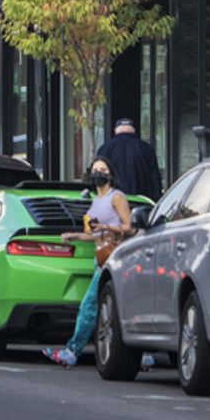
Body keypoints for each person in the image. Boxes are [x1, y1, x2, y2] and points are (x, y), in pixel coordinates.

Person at [43, 157, 136, 367]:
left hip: (113, 257)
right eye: (95, 170)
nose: (99, 173)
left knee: (89, 306)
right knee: (114, 307)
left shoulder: (117, 197)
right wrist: (75, 236)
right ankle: (141, 356)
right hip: (100, 257)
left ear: (110, 174)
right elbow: (94, 234)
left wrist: (107, 227)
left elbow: (129, 227)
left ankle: (72, 351)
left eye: (103, 169)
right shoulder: (95, 201)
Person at [94, 117, 162, 202]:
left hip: (112, 203)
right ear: (133, 130)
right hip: (140, 203)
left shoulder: (104, 149)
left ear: (115, 130)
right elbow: (155, 181)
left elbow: (98, 179)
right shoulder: (146, 149)